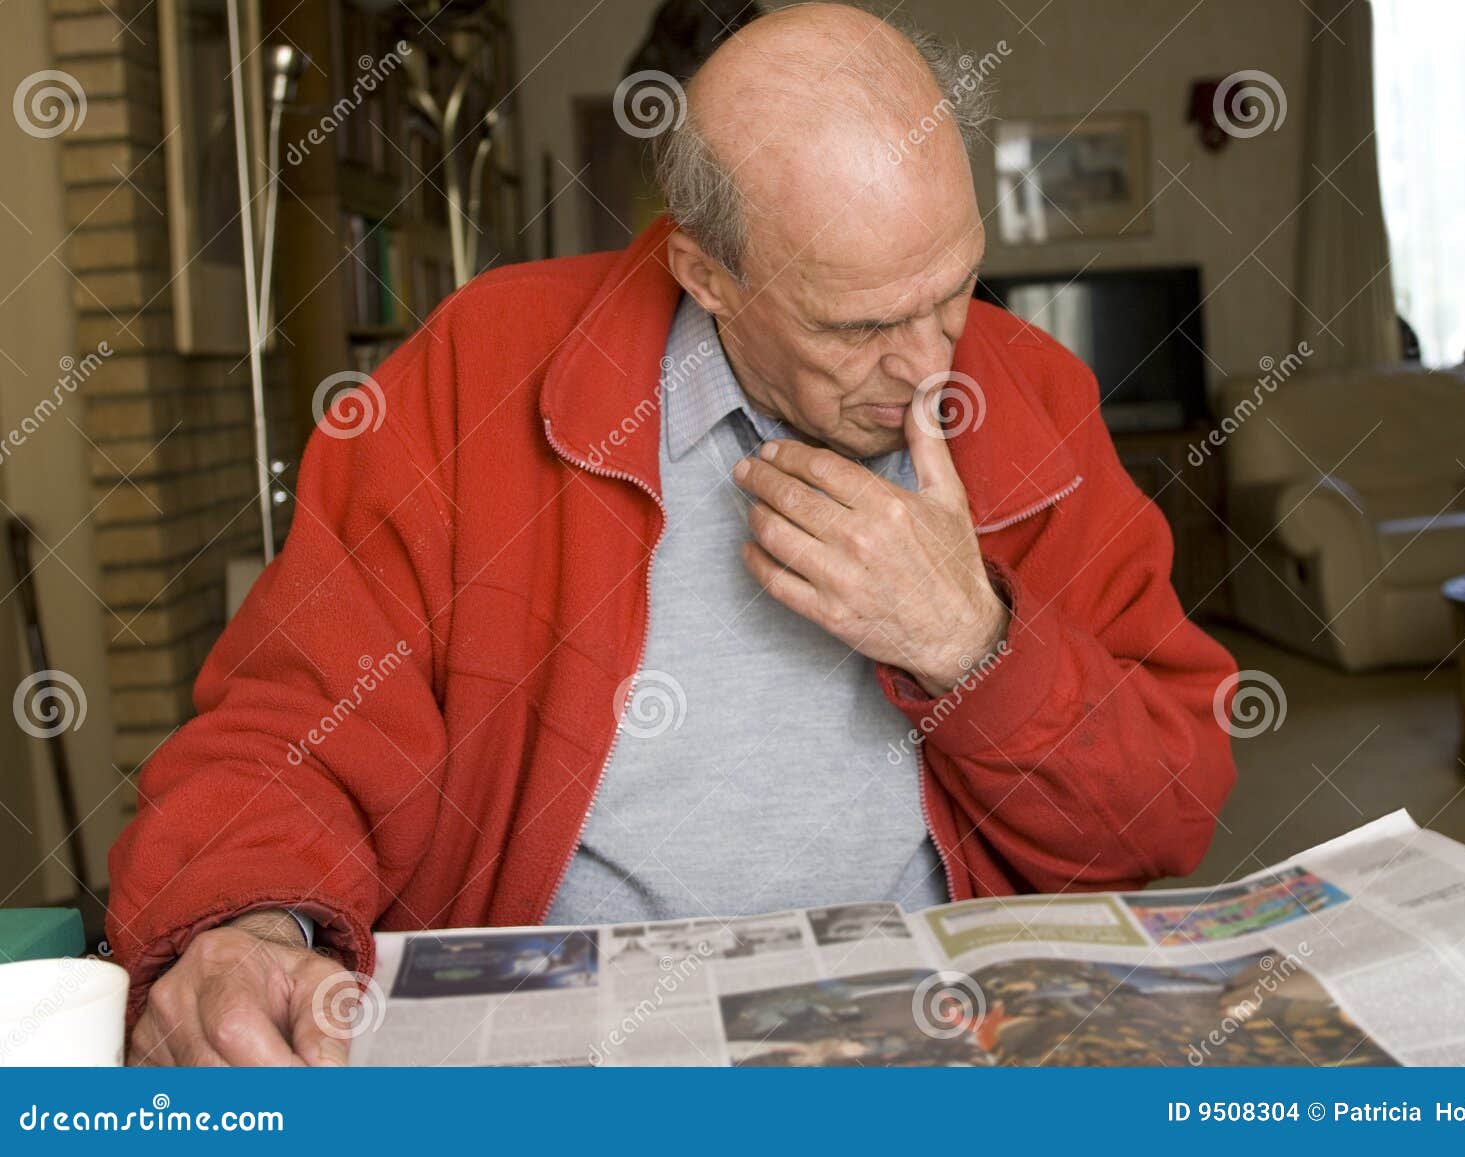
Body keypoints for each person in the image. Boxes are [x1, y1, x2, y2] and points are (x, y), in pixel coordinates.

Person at [108, 2, 1236, 1067]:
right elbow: (292, 724)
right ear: (704, 271)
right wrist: (248, 916)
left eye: (953, 288)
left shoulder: (1033, 391)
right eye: (858, 324)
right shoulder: (477, 369)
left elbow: (1163, 812)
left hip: (930, 1040)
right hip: (571, 1049)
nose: (931, 364)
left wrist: (973, 645)